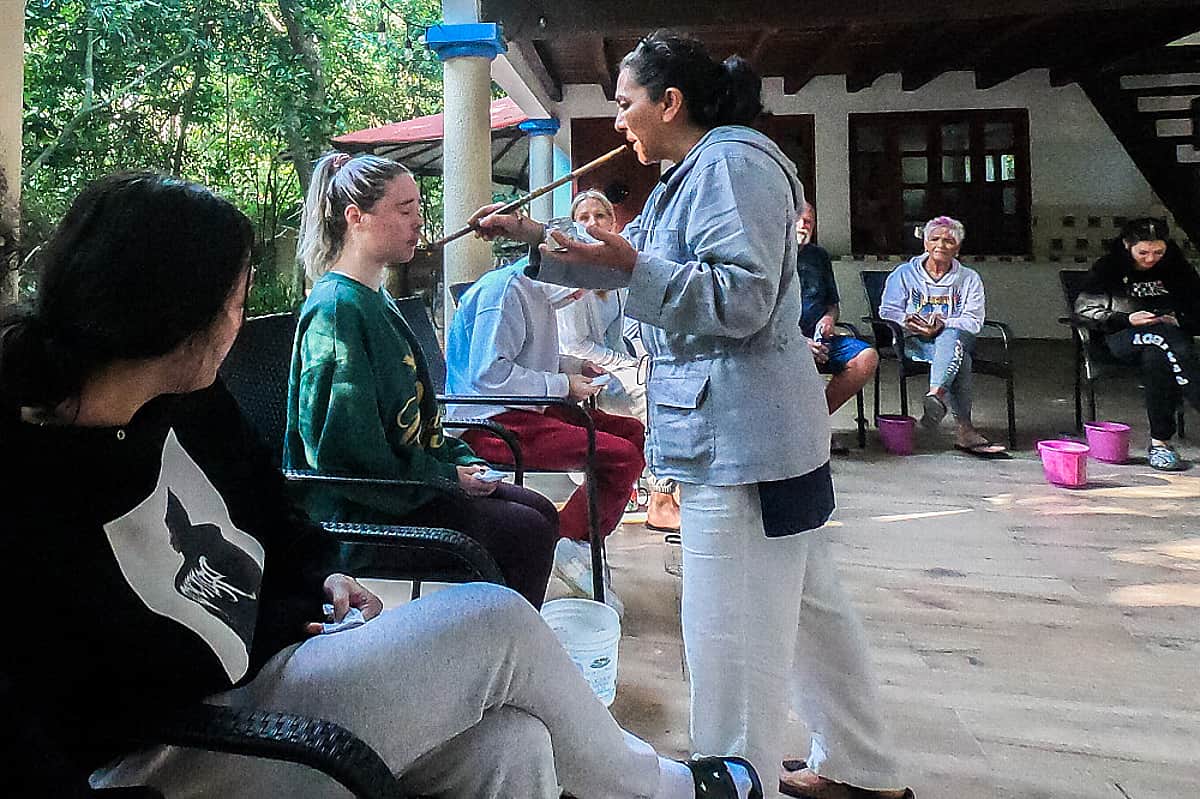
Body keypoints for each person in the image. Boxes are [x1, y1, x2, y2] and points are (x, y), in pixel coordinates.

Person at [0, 172, 765, 799]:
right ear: (173, 317)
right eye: (235, 299)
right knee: (496, 618)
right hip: (184, 744)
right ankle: (666, 789)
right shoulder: (30, 486)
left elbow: (271, 507)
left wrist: (319, 575)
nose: (241, 317)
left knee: (515, 742)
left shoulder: (188, 401)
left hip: (279, 664)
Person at [469, 29, 910, 799]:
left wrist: (635, 265)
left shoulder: (732, 165)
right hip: (764, 434)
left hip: (742, 443)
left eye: (625, 103)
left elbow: (740, 299)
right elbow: (620, 258)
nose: (618, 121)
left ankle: (734, 783)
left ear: (669, 102)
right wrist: (534, 233)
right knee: (813, 610)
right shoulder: (694, 171)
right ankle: (860, 766)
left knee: (728, 637)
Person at [284, 153, 558, 608]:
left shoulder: (377, 299)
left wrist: (461, 462)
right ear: (356, 217)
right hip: (363, 512)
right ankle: (503, 641)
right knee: (525, 532)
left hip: (405, 487)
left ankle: (503, 633)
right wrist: (446, 477)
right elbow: (344, 459)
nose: (418, 222)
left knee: (542, 512)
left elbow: (417, 423)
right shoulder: (336, 312)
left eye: (418, 209)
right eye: (404, 210)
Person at [445, 237, 646, 615]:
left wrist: (573, 367)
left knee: (632, 434)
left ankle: (578, 539)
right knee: (619, 456)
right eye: (580, 283)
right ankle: (566, 540)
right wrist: (563, 385)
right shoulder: (505, 294)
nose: (581, 294)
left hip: (524, 409)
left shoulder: (538, 293)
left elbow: (527, 357)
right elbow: (489, 376)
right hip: (487, 422)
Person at [557, 188, 681, 533]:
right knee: (648, 392)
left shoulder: (616, 273)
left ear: (614, 224)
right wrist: (626, 365)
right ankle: (660, 498)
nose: (592, 224)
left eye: (600, 216)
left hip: (614, 365)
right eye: (583, 218)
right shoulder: (573, 277)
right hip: (582, 372)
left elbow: (633, 327)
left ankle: (673, 482)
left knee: (667, 379)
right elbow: (574, 344)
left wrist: (646, 358)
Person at [1075, 217, 1200, 470]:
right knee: (1162, 340)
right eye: (1143, 252)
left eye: (1158, 252)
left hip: (1168, 340)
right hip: (1121, 337)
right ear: (1127, 245)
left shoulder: (1178, 269)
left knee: (1158, 355)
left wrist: (1179, 319)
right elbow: (1084, 310)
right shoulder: (1108, 268)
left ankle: (1160, 444)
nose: (1151, 258)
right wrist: (1127, 319)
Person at [879, 215, 1006, 458]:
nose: (940, 245)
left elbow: (974, 321)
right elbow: (887, 311)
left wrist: (942, 325)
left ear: (957, 248)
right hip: (916, 342)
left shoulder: (969, 278)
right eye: (934, 239)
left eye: (948, 241)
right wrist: (912, 322)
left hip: (956, 339)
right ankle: (964, 430)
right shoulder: (904, 274)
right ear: (925, 244)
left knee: (951, 336)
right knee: (962, 360)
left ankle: (936, 395)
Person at [795, 201, 879, 451]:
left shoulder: (819, 256)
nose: (803, 226)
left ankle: (813, 425)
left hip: (821, 339)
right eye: (798, 220)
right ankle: (803, 431)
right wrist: (798, 342)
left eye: (809, 222)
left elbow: (832, 304)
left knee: (866, 357)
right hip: (781, 342)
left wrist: (829, 318)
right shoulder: (769, 254)